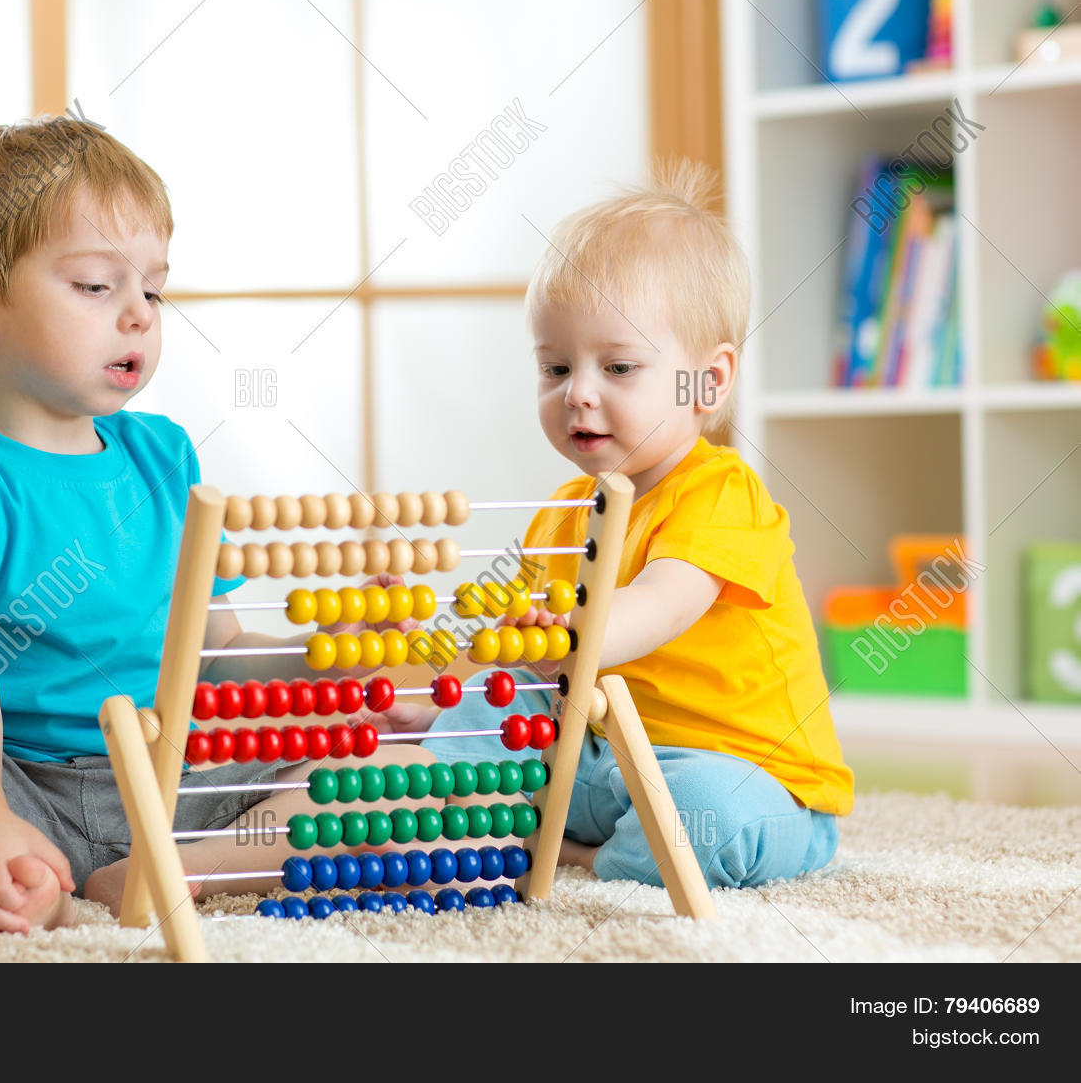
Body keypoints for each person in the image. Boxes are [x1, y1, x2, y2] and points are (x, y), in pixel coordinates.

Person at [0, 116, 433, 933]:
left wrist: (335, 654)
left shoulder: (165, 458)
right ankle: (4, 866)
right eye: (97, 286)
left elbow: (215, 652)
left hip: (175, 780)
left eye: (152, 289)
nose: (140, 316)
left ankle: (168, 872)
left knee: (405, 774)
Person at [360, 161, 854, 890]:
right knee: (486, 707)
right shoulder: (565, 510)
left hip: (738, 769)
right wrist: (432, 666)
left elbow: (660, 602)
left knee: (701, 814)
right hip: (598, 754)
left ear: (706, 383)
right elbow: (508, 635)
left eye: (618, 368)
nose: (578, 394)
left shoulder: (724, 495)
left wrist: (569, 632)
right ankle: (554, 820)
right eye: (555, 368)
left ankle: (584, 857)